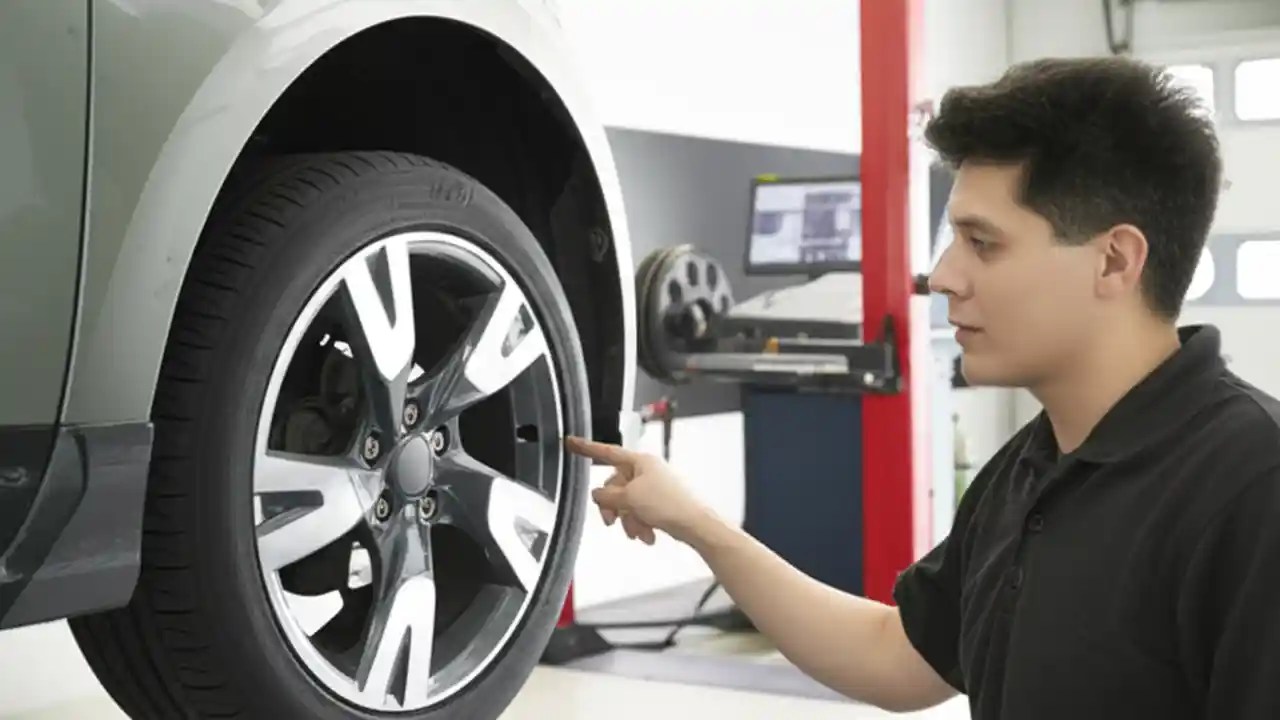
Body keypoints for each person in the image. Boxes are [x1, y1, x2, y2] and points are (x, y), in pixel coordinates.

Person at [566, 55, 1280, 720]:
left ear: (1115, 261)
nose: (941, 276)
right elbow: (897, 655)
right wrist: (698, 523)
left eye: (983, 243)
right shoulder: (1031, 469)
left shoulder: (1252, 485)